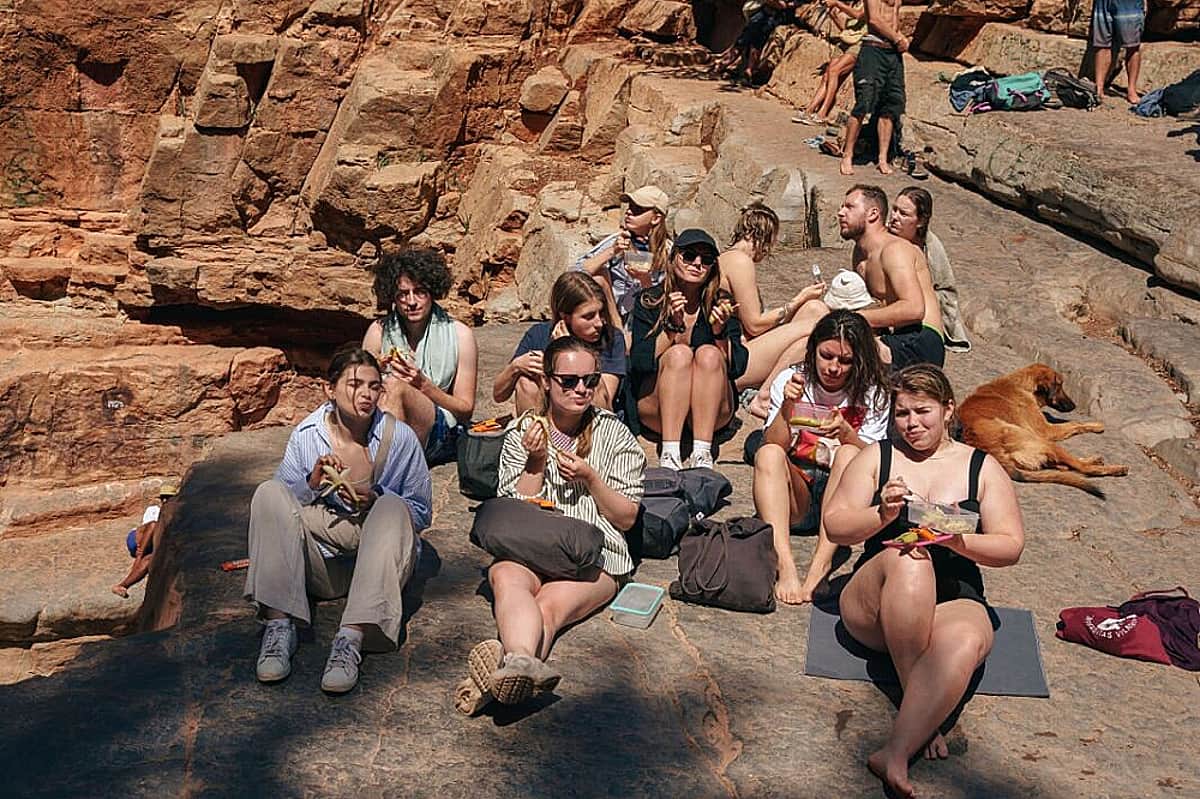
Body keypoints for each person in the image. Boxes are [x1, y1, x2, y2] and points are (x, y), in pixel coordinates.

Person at [823, 364, 1025, 798]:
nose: (911, 424)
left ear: (948, 410)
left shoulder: (981, 467)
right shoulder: (877, 457)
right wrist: (882, 514)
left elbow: (1010, 546)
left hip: (953, 592)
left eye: (922, 412)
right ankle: (920, 711)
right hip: (879, 596)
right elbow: (836, 524)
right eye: (902, 414)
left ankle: (896, 752)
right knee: (912, 559)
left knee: (966, 640)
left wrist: (957, 539)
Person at [460, 336, 646, 712]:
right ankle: (518, 665)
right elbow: (513, 511)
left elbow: (626, 517)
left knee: (547, 607)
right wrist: (535, 462)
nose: (581, 389)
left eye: (590, 381)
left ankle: (501, 674)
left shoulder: (615, 434)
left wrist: (591, 479)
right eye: (569, 381)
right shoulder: (522, 432)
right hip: (533, 545)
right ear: (546, 382)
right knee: (505, 576)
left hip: (596, 556)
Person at [244, 346, 432, 693]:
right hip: (322, 564)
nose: (366, 395)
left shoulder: (401, 439)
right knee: (269, 493)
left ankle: (350, 640)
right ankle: (279, 627)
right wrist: (312, 484)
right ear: (329, 389)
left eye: (374, 386)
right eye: (355, 385)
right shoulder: (307, 435)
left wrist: (377, 497)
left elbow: (421, 512)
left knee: (393, 506)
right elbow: (281, 509)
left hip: (377, 563)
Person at [752, 310, 889, 604]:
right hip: (797, 491)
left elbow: (876, 462)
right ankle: (784, 564)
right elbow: (774, 443)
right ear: (813, 350)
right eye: (826, 356)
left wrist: (848, 434)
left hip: (842, 499)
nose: (833, 368)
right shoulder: (791, 380)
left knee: (850, 453)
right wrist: (787, 406)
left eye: (845, 360)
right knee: (767, 454)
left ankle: (821, 565)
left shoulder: (874, 394)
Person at [627, 229, 747, 470]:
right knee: (679, 354)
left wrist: (719, 332)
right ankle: (670, 453)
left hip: (710, 412)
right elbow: (639, 362)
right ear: (673, 259)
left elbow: (737, 367)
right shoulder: (650, 300)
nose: (697, 263)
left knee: (708, 354)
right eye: (689, 256)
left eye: (706, 259)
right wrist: (673, 327)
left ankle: (702, 452)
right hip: (660, 409)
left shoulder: (721, 303)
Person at [362, 248, 477, 465]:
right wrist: (375, 371)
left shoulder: (460, 335)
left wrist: (424, 386)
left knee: (395, 386)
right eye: (403, 294)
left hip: (440, 428)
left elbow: (465, 410)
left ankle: (385, 468)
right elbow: (360, 390)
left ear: (432, 292)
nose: (412, 301)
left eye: (420, 292)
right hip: (382, 417)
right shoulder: (378, 332)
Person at [719, 202, 829, 395]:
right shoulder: (739, 262)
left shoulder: (729, 258)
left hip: (744, 344)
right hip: (736, 357)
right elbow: (754, 325)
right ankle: (765, 394)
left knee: (814, 308)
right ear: (764, 237)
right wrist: (799, 298)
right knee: (820, 327)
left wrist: (805, 301)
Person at [838, 184, 945, 370]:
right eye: (894, 210)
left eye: (849, 207)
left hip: (920, 338)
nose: (840, 213)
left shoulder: (895, 250)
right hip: (890, 334)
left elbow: (914, 309)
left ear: (873, 213)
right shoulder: (860, 254)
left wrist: (855, 318)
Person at [493, 272, 626, 413]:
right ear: (565, 316)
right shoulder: (538, 335)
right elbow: (499, 396)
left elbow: (604, 405)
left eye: (601, 313)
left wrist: (570, 348)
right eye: (589, 316)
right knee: (526, 383)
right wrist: (515, 367)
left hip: (592, 418)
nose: (599, 323)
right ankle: (534, 426)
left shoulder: (612, 338)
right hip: (548, 415)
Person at [575, 185, 671, 330]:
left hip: (646, 317)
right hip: (611, 315)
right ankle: (617, 327)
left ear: (656, 218)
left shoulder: (668, 252)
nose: (629, 212)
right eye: (629, 207)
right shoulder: (618, 240)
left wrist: (645, 281)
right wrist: (612, 251)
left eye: (638, 209)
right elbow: (575, 274)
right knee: (598, 276)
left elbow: (665, 299)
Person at [887, 187, 970, 352]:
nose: (894, 217)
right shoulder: (883, 236)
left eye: (903, 214)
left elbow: (946, 290)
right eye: (894, 209)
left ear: (920, 221)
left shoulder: (931, 246)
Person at [839, 0, 907, 176]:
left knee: (890, 106)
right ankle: (847, 155)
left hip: (893, 53)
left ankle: (882, 159)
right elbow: (875, 19)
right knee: (863, 103)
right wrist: (897, 38)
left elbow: (893, 19)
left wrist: (901, 37)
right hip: (873, 50)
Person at [791, 0, 866, 126]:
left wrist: (837, 3)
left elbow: (858, 15)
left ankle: (822, 113)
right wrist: (833, 14)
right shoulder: (854, 3)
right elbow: (847, 28)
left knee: (834, 71)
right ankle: (809, 110)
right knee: (827, 76)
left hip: (859, 44)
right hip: (845, 40)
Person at [111, 483, 177, 598]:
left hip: (153, 546)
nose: (165, 500)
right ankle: (140, 555)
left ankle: (122, 585)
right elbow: (148, 527)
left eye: (169, 498)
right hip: (138, 539)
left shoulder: (174, 515)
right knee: (154, 525)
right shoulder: (154, 510)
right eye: (163, 497)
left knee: (150, 559)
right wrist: (141, 551)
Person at [1089, 0, 1144, 104]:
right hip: (1102, 3)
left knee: (1132, 46)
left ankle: (1132, 91)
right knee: (1102, 44)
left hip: (1129, 4)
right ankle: (1099, 89)